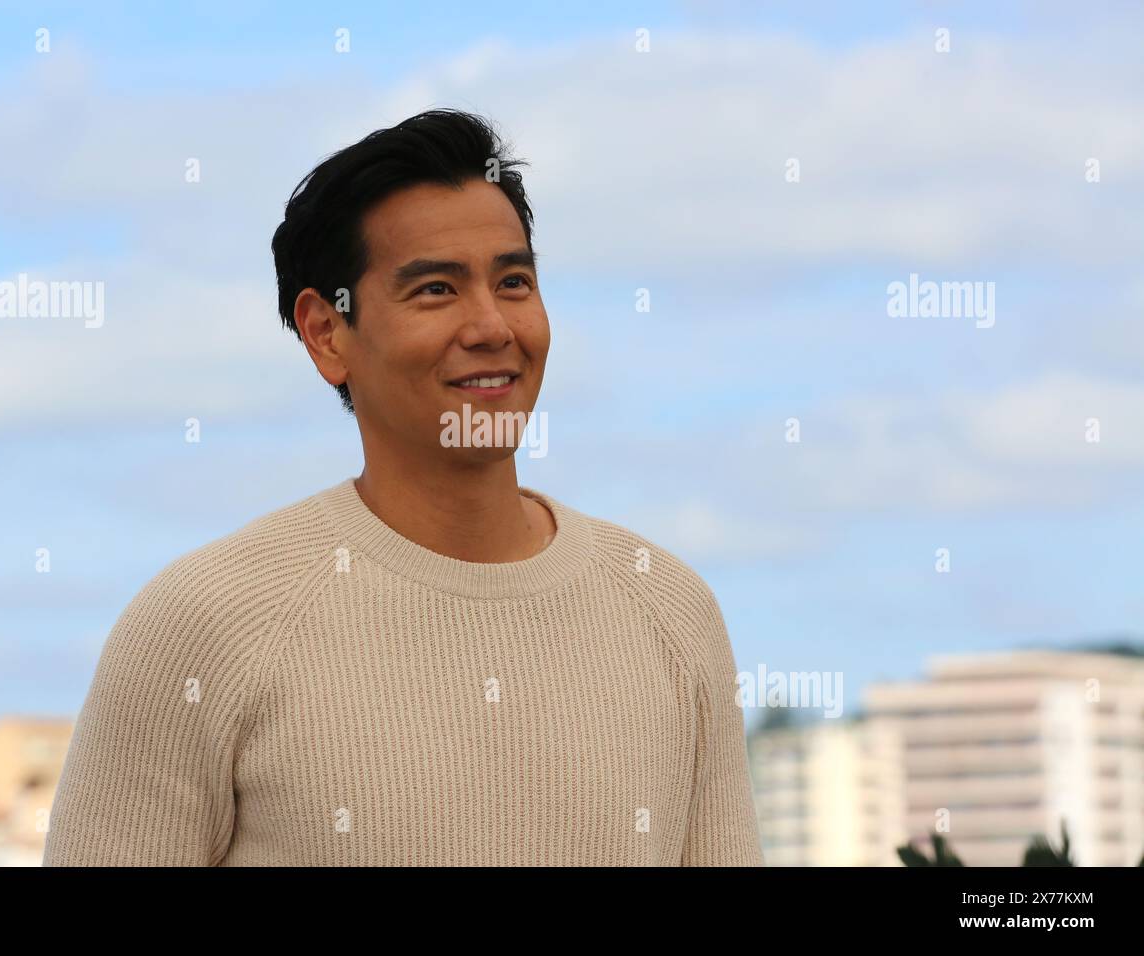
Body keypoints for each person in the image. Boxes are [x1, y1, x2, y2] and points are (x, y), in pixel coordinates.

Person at [43, 109, 763, 866]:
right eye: (435, 291)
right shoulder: (205, 622)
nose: (491, 326)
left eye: (513, 281)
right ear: (327, 333)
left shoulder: (668, 608)